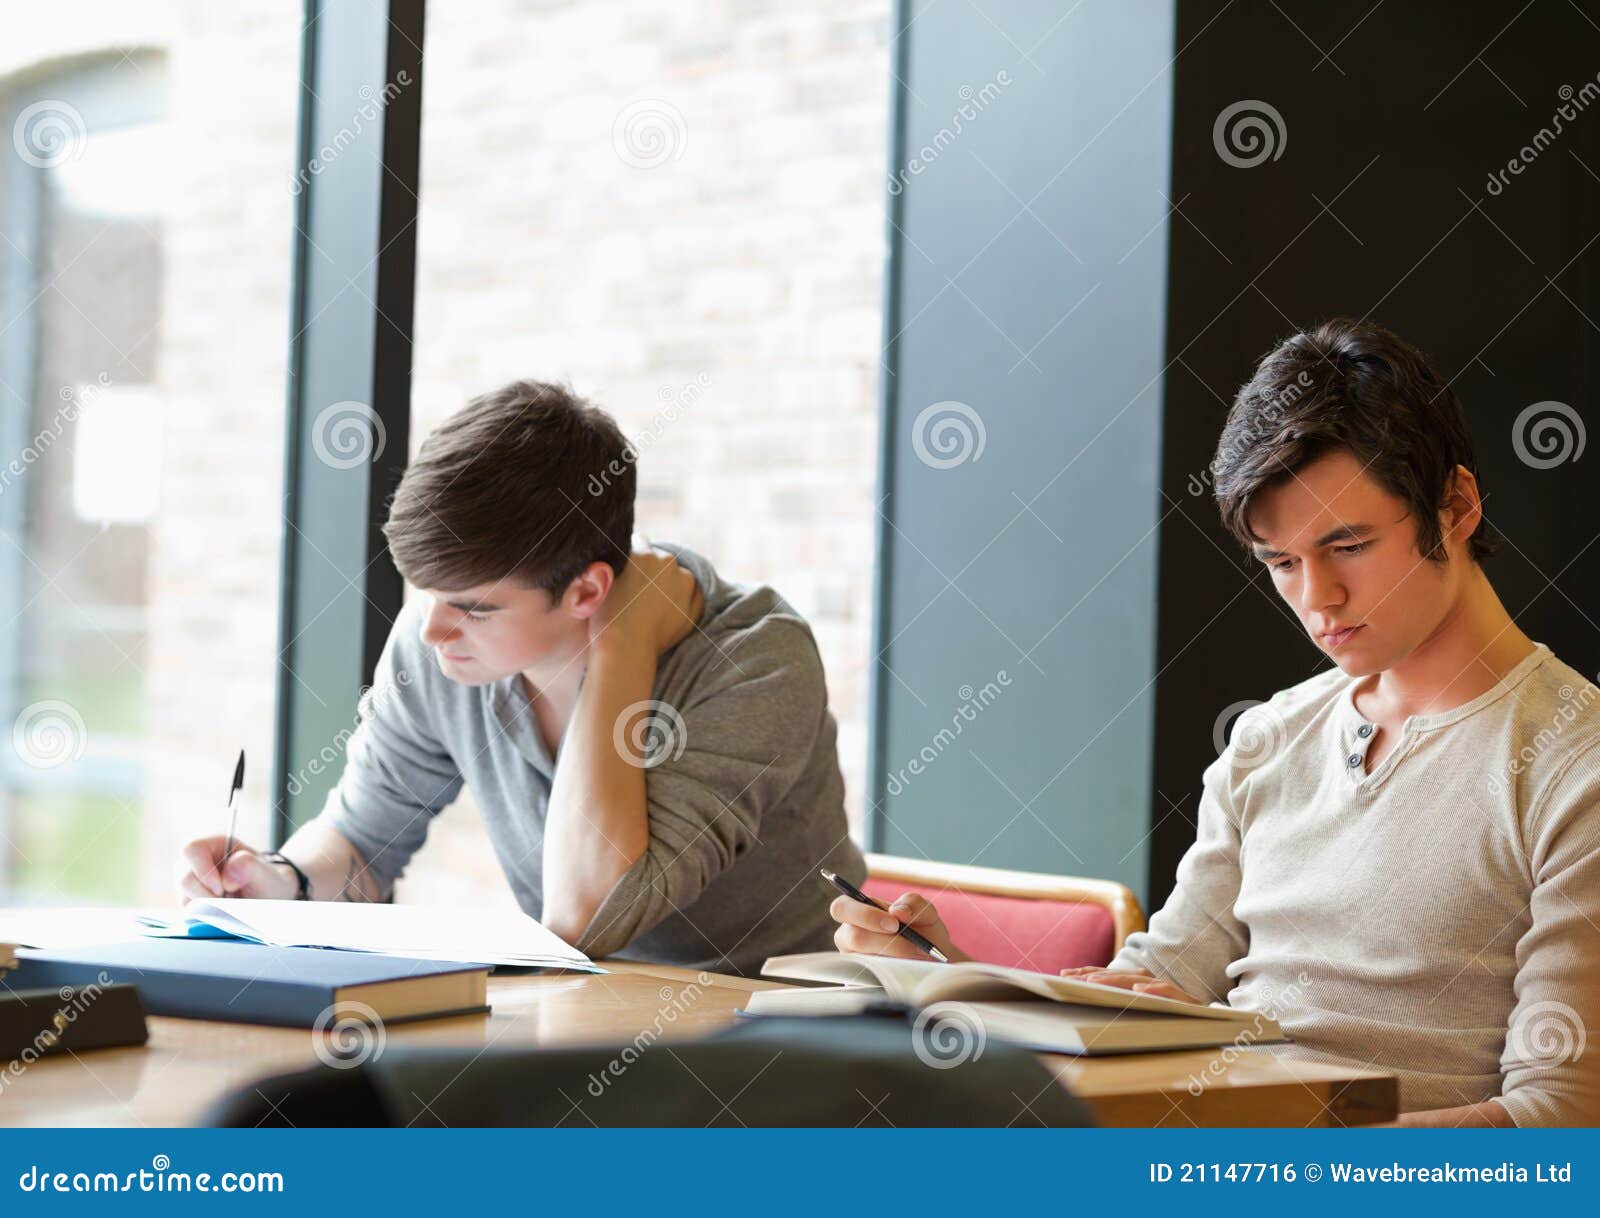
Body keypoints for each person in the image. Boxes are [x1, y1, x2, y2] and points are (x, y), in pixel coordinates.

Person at [831, 319, 1600, 1126]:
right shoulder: (1268, 741)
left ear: (1457, 506)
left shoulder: (1571, 765)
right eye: (1282, 563)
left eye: (1349, 546)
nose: (1317, 599)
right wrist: (947, 978)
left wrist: (1272, 1155)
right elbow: (1153, 988)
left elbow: (1559, 1124)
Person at [179, 380, 865, 975]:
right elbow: (360, 844)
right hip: (581, 1020)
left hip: (774, 1035)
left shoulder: (754, 661)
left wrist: (622, 644)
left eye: (474, 608)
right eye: (426, 593)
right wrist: (280, 881)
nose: (431, 631)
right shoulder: (445, 643)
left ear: (587, 594)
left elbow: (585, 917)